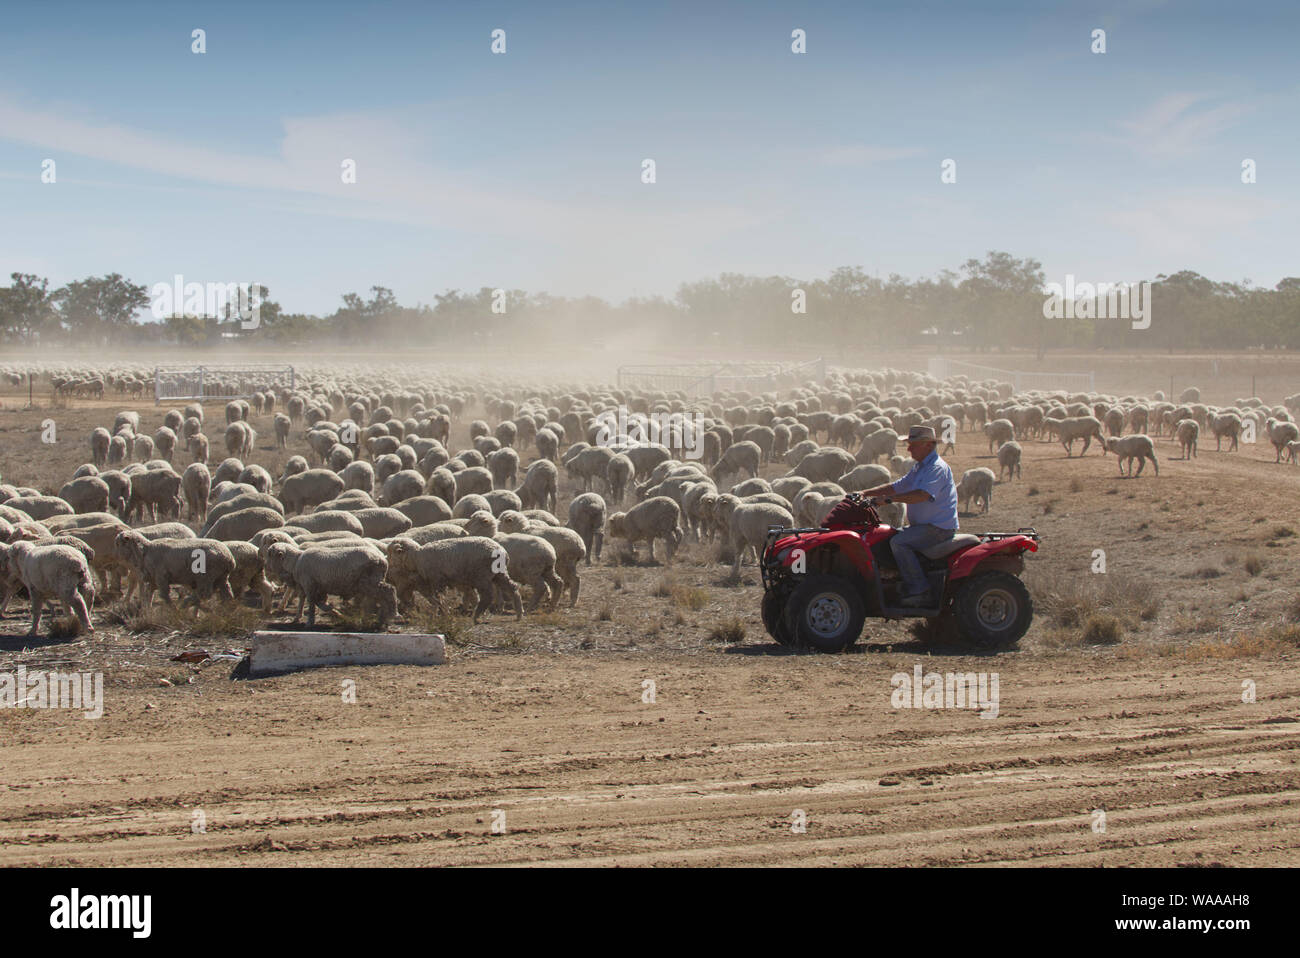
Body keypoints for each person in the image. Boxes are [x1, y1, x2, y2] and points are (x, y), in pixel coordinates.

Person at [858, 425, 959, 606]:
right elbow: (897, 485)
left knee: (899, 542)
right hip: (922, 528)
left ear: (928, 445)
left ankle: (920, 589)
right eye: (909, 444)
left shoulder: (936, 468)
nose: (909, 448)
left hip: (937, 529)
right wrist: (866, 493)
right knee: (886, 536)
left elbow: (922, 494)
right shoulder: (919, 468)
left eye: (913, 444)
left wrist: (888, 500)